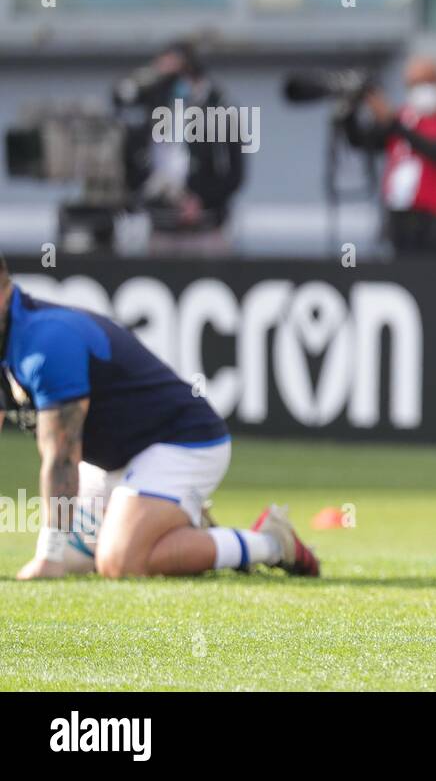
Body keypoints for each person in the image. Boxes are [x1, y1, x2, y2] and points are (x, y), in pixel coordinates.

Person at [0, 254, 319, 580]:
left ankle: (271, 542)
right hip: (113, 460)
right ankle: (176, 523)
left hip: (180, 442)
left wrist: (48, 554)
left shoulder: (46, 342)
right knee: (76, 559)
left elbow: (62, 455)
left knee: (119, 562)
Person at [114, 40, 246, 256]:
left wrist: (200, 200)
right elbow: (132, 163)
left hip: (206, 229)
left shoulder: (221, 110)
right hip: (162, 227)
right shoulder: (152, 109)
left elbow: (234, 174)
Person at [347, 55, 436, 255]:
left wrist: (396, 125)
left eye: (424, 82)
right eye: (411, 85)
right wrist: (349, 112)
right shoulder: (406, 116)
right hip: (403, 218)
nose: (418, 90)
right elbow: (362, 141)